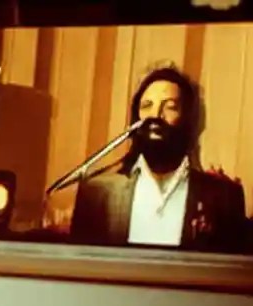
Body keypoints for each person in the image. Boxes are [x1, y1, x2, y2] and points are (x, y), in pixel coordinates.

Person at [70, 65, 248, 253]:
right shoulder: (96, 194)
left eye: (170, 107)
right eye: (147, 106)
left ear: (188, 120)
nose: (155, 115)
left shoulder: (224, 197)